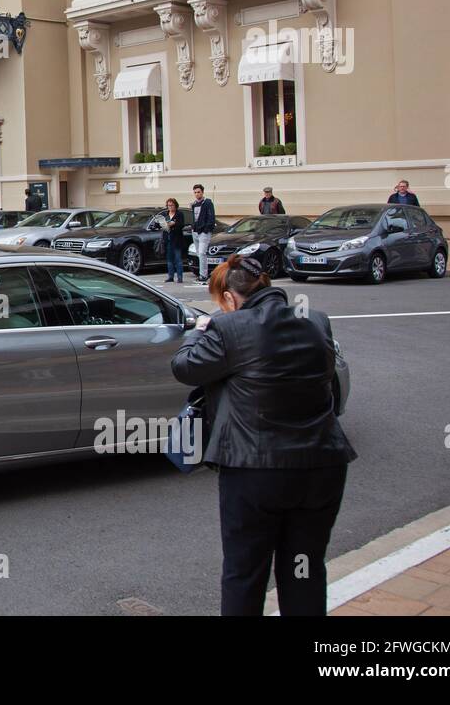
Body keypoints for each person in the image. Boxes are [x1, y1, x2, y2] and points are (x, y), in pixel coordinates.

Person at [172, 254, 356, 616]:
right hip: (322, 464)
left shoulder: (229, 329)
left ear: (229, 298)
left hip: (256, 469)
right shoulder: (317, 322)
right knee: (304, 570)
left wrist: (200, 330)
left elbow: (184, 368)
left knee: (245, 573)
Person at [191, 184, 217, 284]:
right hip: (195, 231)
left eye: (199, 192)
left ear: (202, 192)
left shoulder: (207, 203)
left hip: (204, 232)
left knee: (202, 253)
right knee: (199, 253)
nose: (197, 194)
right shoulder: (193, 204)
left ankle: (203, 275)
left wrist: (206, 229)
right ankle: (202, 273)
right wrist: (193, 228)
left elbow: (211, 217)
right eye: (195, 192)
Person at [160, 197, 186, 284]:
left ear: (175, 205)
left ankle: (179, 277)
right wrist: (165, 225)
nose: (170, 207)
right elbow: (161, 225)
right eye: (168, 205)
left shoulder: (179, 214)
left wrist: (174, 224)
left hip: (177, 239)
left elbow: (181, 225)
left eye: (172, 205)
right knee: (169, 259)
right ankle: (170, 276)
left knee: (178, 259)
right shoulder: (165, 214)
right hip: (167, 239)